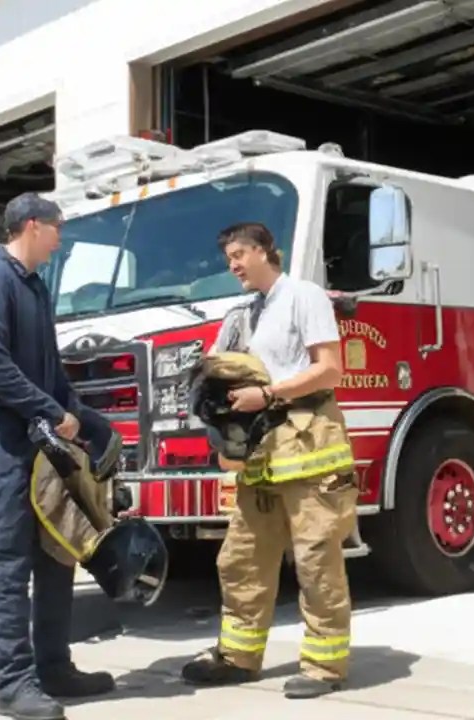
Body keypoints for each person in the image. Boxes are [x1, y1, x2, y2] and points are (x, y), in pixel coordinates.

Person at [181, 222, 359, 699]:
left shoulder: (304, 295)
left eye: (239, 254)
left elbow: (330, 369)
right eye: (229, 259)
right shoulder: (246, 313)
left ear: (264, 250)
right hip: (260, 453)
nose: (233, 265)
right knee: (241, 560)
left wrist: (269, 393)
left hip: (309, 446)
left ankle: (325, 665)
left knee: (316, 560)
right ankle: (239, 657)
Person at [0, 192, 115, 720]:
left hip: (40, 441)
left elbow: (48, 371)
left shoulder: (33, 288)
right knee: (7, 563)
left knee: (56, 556)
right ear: (32, 226)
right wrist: (52, 411)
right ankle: (13, 685)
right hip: (1, 441)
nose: (61, 237)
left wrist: (91, 424)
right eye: (57, 228)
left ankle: (54, 668)